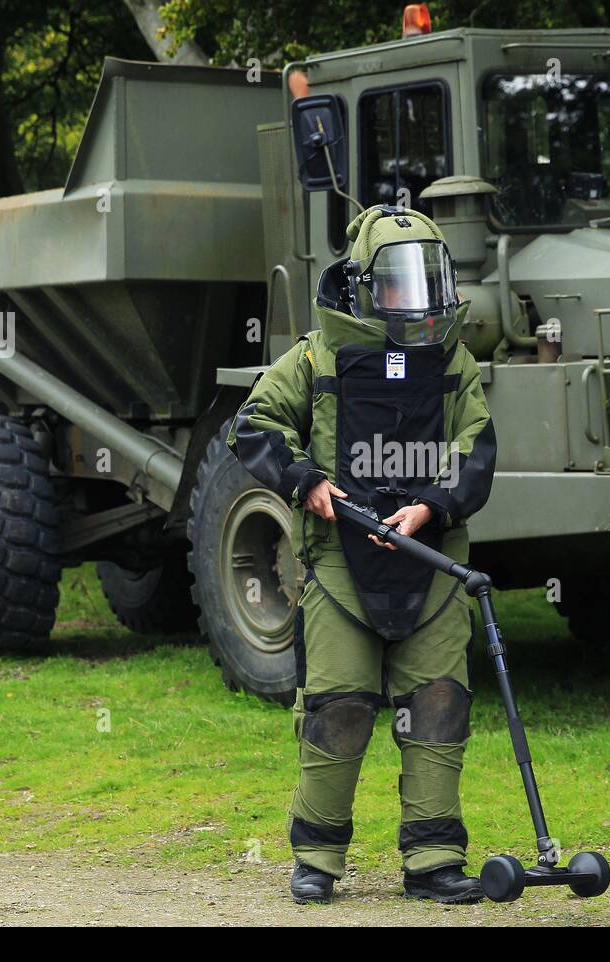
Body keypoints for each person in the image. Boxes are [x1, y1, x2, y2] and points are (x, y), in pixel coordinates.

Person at [229, 205, 496, 904]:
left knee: (439, 702)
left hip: (432, 565)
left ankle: (435, 860)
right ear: (365, 286)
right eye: (399, 282)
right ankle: (316, 858)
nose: (416, 297)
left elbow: (478, 450)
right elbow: (252, 425)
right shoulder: (317, 358)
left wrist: (434, 505)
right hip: (340, 565)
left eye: (426, 280)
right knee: (338, 704)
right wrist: (304, 480)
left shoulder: (454, 364)